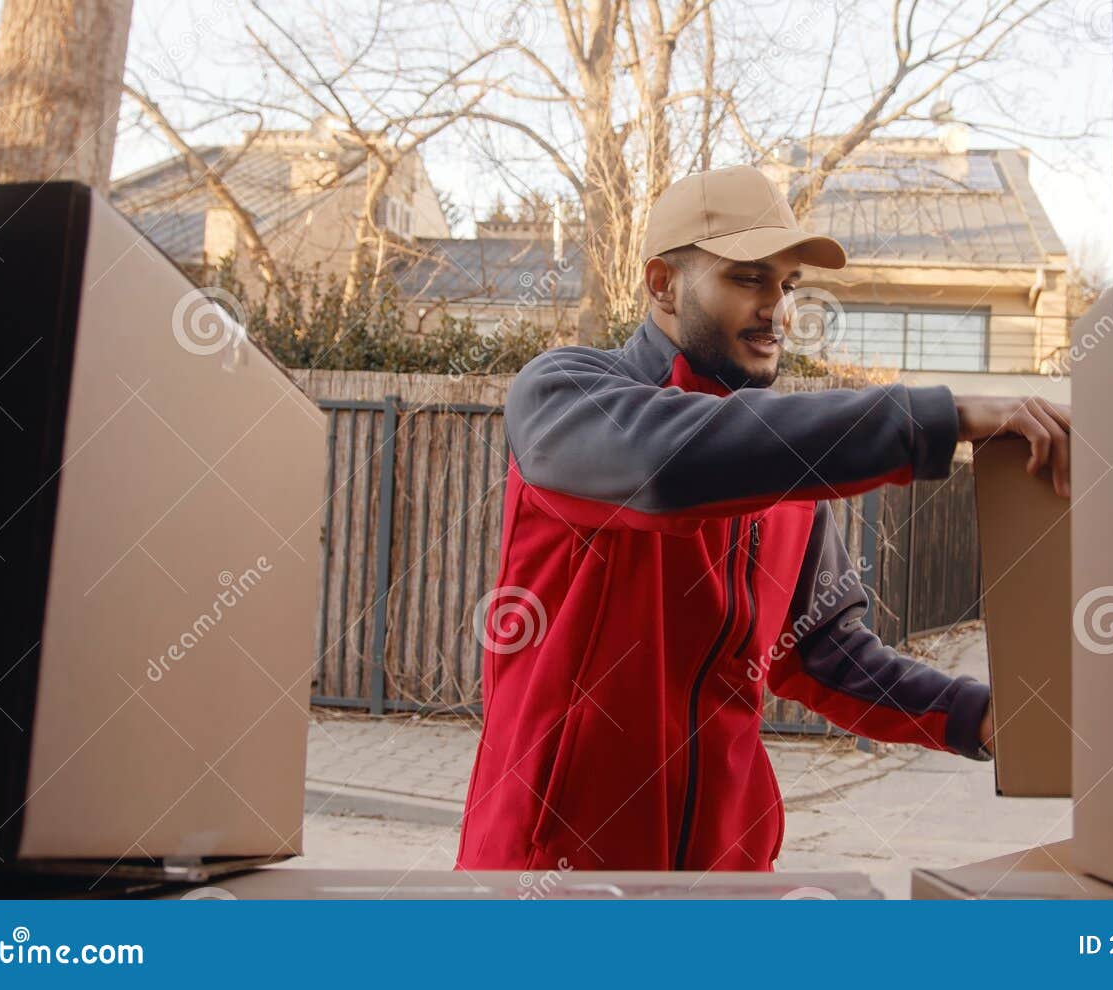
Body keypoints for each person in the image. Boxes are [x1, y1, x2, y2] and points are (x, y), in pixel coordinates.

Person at [455, 164, 1072, 872]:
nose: (777, 310)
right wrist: (941, 416)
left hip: (726, 879)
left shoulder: (789, 473)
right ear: (663, 283)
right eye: (748, 279)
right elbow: (668, 464)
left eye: (787, 287)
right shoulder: (566, 396)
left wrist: (987, 718)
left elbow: (828, 658)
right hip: (554, 872)